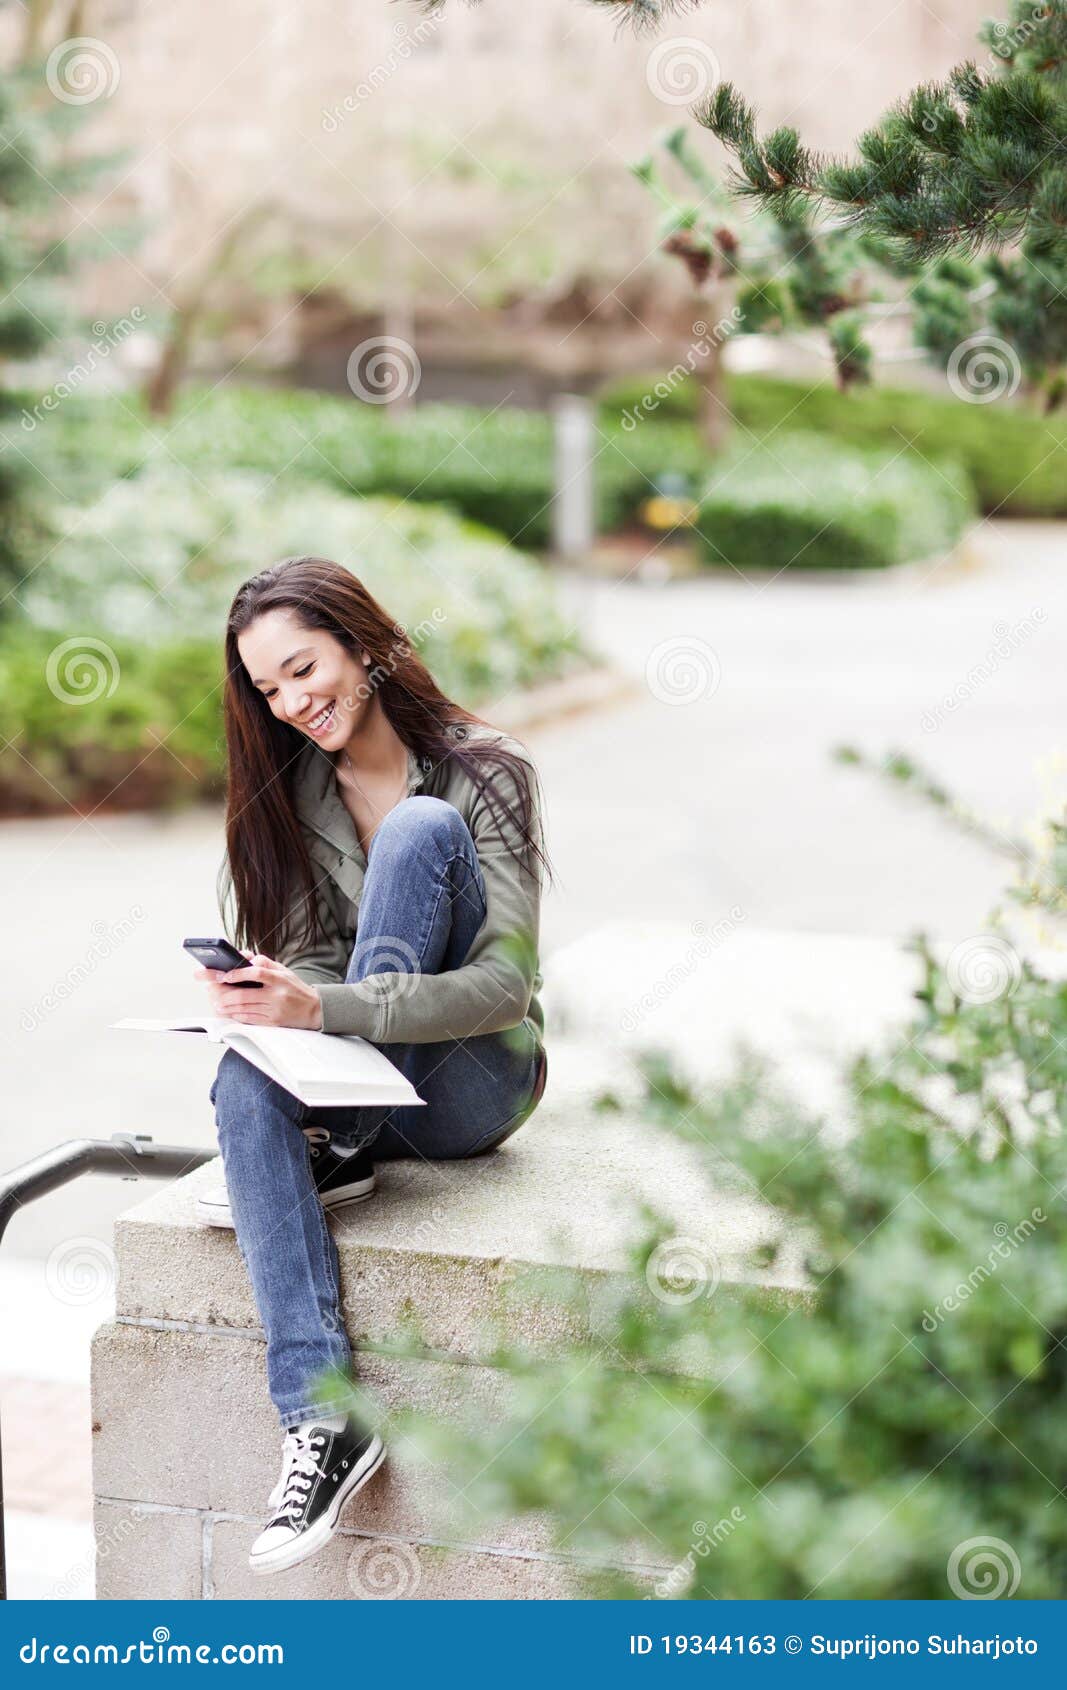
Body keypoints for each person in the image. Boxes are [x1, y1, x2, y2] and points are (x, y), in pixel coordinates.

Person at [193, 554, 549, 1575]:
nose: (294, 702)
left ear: (362, 643)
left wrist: (328, 1009)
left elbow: (503, 987)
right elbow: (306, 958)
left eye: (305, 668)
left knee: (418, 830)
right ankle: (323, 1419)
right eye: (269, 689)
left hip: (470, 1083)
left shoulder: (486, 771)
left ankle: (332, 1137)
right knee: (238, 1074)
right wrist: (267, 997)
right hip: (358, 1080)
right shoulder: (290, 787)